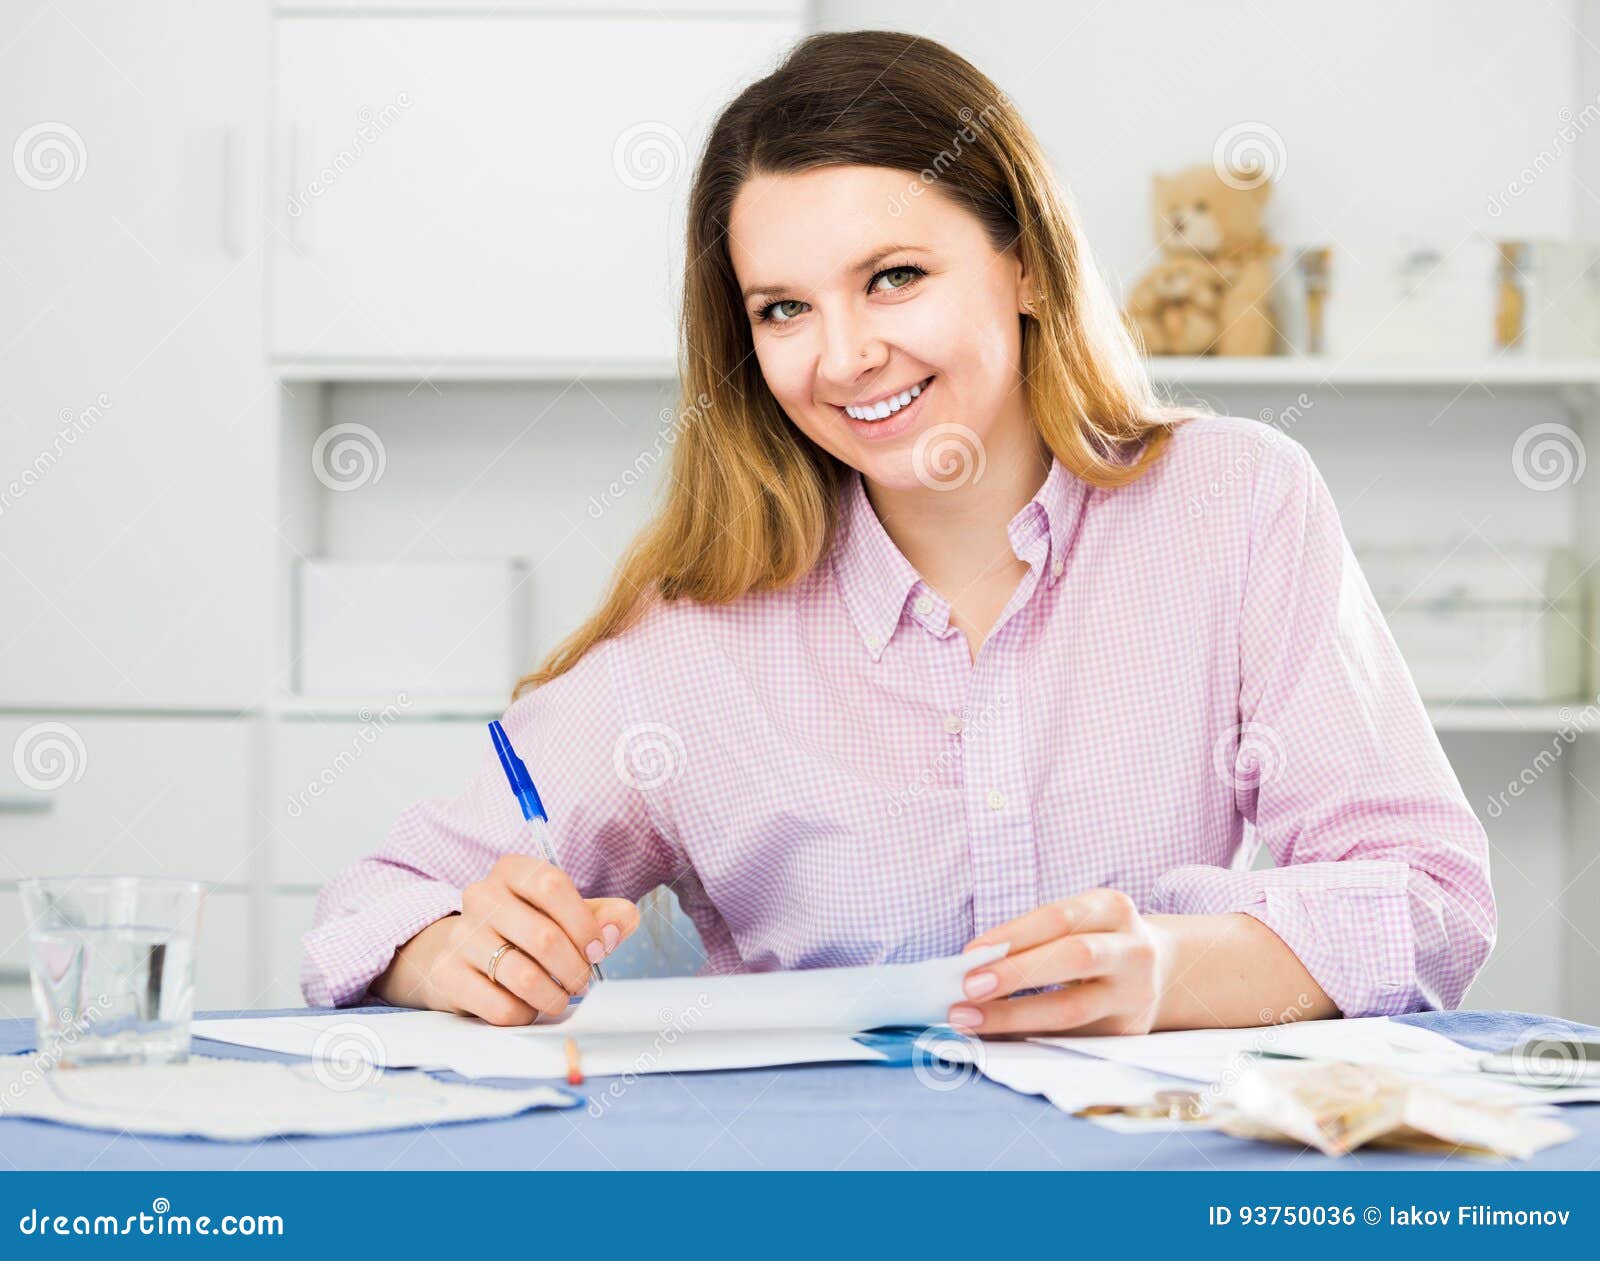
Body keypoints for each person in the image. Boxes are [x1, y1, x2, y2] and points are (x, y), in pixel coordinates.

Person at [301, 30, 1494, 1034]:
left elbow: (1430, 901)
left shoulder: (1235, 504)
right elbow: (377, 903)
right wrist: (447, 951)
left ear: (1025, 267)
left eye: (892, 278)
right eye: (784, 308)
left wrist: (1170, 971)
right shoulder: (694, 633)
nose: (843, 357)